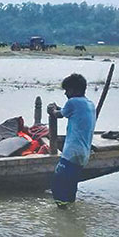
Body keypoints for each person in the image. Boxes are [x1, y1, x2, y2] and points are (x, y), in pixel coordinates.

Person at [47, 73, 96, 207]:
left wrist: (52, 110)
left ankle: (61, 211)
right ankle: (70, 211)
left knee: (58, 184)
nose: (65, 94)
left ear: (74, 90)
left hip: (72, 152)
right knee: (70, 183)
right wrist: (58, 109)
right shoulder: (89, 104)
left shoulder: (73, 102)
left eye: (67, 90)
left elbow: (58, 114)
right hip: (83, 154)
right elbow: (66, 111)